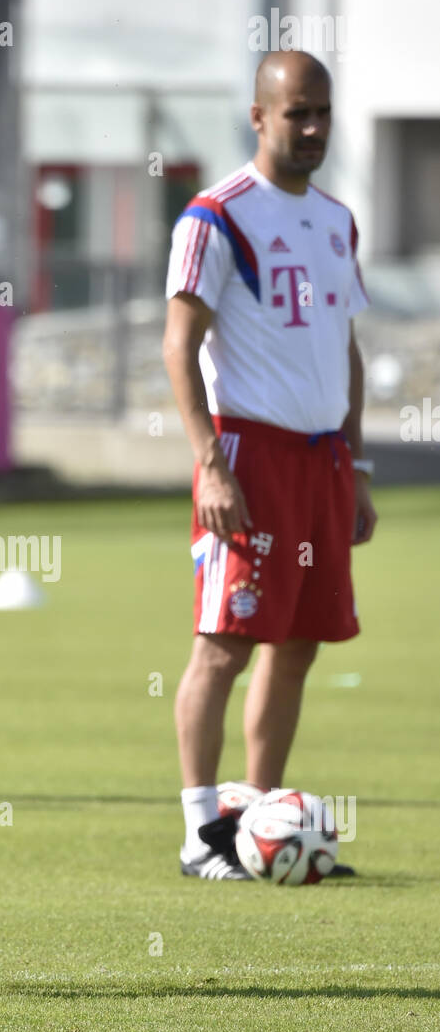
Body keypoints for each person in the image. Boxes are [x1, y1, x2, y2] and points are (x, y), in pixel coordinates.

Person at [163, 50, 377, 880]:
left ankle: (260, 822)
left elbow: (345, 348)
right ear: (258, 116)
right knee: (223, 644)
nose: (313, 127)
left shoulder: (335, 219)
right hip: (247, 455)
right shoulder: (216, 217)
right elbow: (178, 345)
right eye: (297, 113)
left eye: (322, 111)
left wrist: (355, 463)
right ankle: (197, 834)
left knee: (299, 643)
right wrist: (208, 463)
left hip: (322, 461)